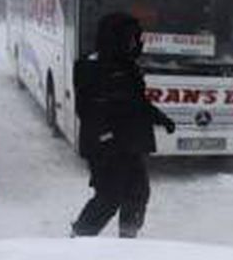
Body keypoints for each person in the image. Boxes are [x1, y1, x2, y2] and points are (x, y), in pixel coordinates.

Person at [71, 13, 176, 238]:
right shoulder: (90, 68)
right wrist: (106, 136)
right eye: (131, 38)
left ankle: (127, 239)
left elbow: (137, 103)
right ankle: (79, 238)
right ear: (116, 38)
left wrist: (161, 118)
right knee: (109, 198)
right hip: (105, 147)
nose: (136, 43)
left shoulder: (128, 67)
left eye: (137, 38)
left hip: (130, 145)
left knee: (138, 193)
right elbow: (88, 110)